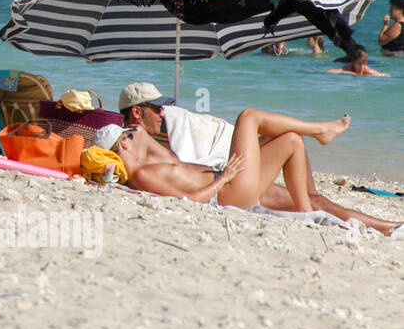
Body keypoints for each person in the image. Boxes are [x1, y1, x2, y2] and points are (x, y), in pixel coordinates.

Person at [119, 83, 399, 233]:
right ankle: (321, 130)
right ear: (136, 113)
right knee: (249, 117)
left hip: (232, 182)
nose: (164, 114)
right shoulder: (137, 154)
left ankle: (388, 226)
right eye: (157, 109)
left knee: (291, 142)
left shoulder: (156, 143)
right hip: (229, 189)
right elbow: (187, 199)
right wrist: (224, 178)